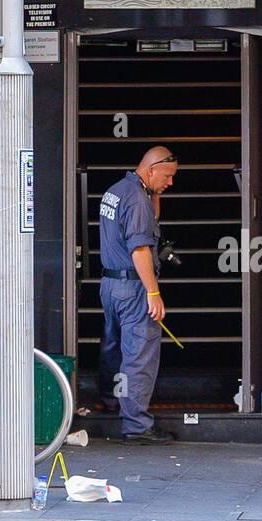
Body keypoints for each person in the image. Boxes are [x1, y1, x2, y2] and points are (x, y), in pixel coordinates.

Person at [97, 146, 179, 444]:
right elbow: (140, 248)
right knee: (139, 355)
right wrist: (153, 292)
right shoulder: (137, 200)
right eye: (167, 176)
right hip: (133, 287)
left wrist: (154, 194)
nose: (170, 183)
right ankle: (137, 425)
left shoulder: (117, 191)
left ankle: (111, 399)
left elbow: (149, 222)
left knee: (113, 346)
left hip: (110, 284)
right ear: (151, 169)